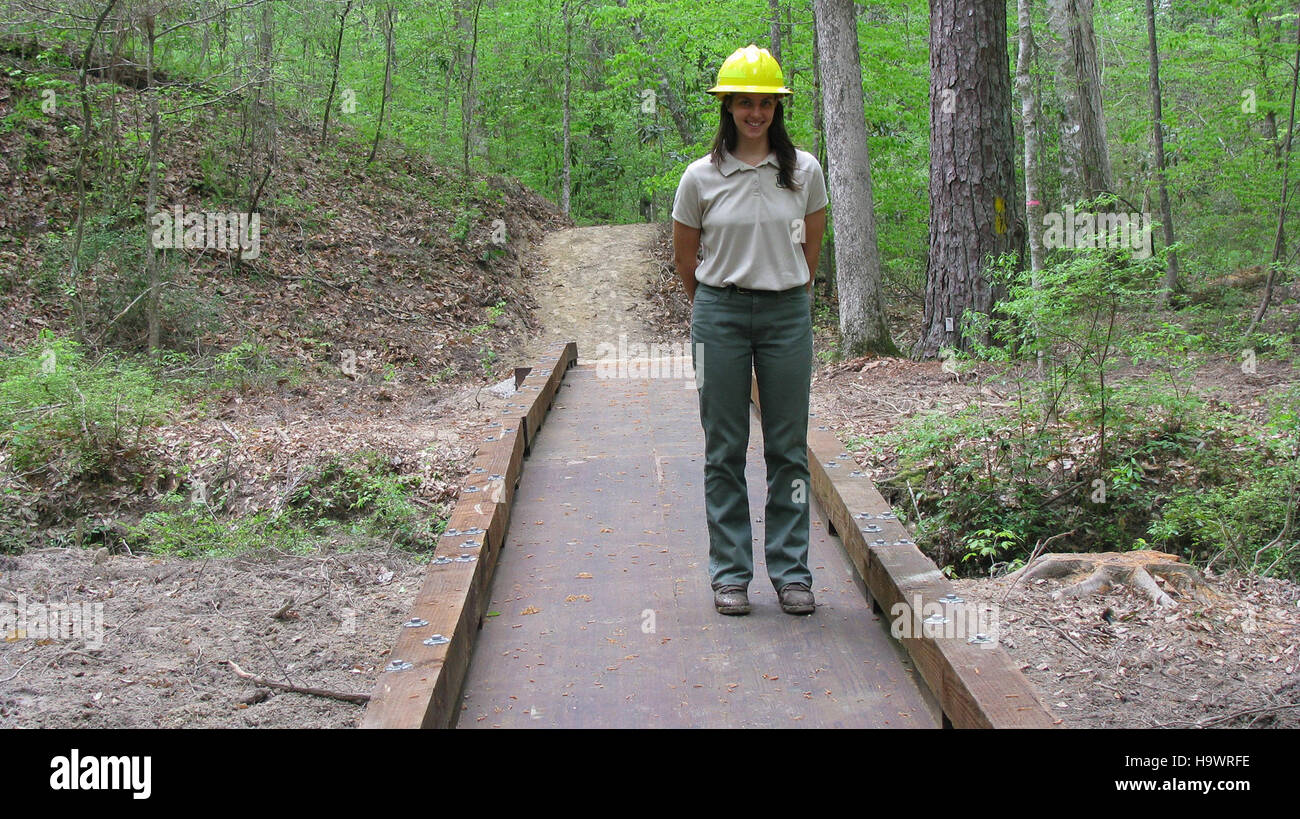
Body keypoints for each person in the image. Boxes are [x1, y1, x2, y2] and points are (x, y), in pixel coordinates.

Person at [670, 44, 827, 616]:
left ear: (777, 107)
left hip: (787, 315)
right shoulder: (700, 177)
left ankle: (792, 573)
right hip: (720, 315)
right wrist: (715, 307)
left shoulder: (804, 171)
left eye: (765, 103)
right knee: (724, 448)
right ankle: (730, 575)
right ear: (728, 107)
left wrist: (786, 290)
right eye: (744, 102)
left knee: (788, 449)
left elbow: (812, 249)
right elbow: (685, 258)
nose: (755, 113)